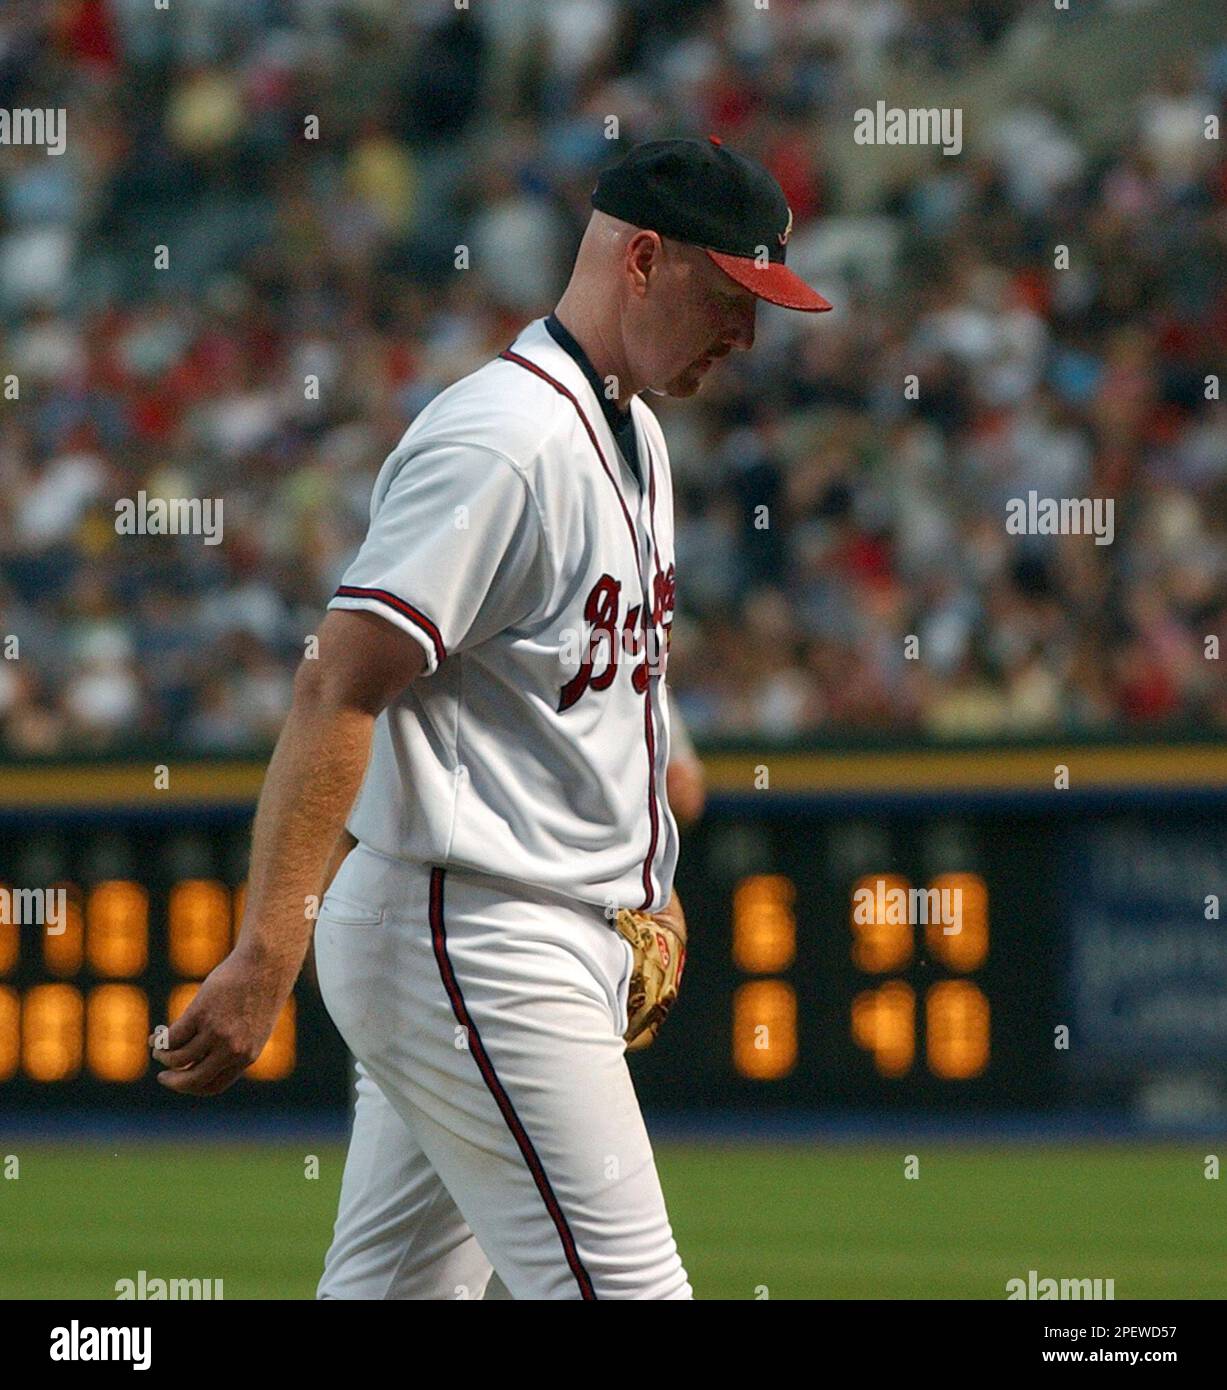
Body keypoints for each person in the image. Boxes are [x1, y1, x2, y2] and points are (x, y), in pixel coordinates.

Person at [152, 136, 831, 1300]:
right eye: (731, 295)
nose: (748, 333)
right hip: (476, 936)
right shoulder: (504, 440)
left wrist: (646, 845)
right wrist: (267, 950)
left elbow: (586, 673)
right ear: (645, 260)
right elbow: (339, 682)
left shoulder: (639, 438)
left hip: (509, 927)